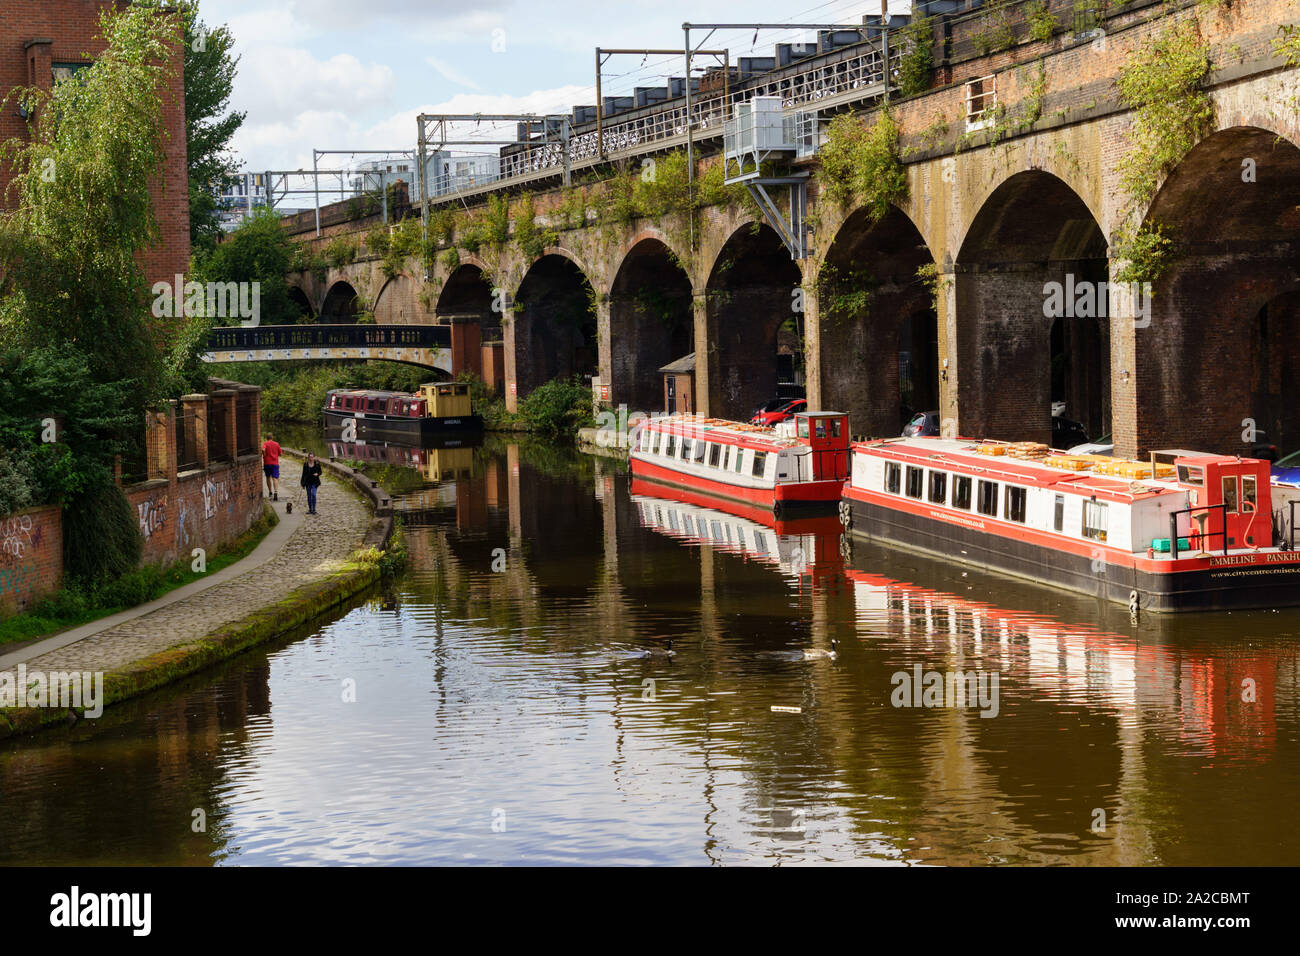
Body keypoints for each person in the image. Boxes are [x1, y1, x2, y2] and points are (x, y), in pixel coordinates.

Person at [261, 433, 282, 501]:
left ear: (266, 438)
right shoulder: (276, 444)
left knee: (268, 477)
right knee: (275, 478)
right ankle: (276, 492)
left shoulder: (265, 443)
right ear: (272, 437)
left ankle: (270, 492)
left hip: (267, 463)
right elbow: (280, 454)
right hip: (275, 463)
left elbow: (263, 449)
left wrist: (264, 455)